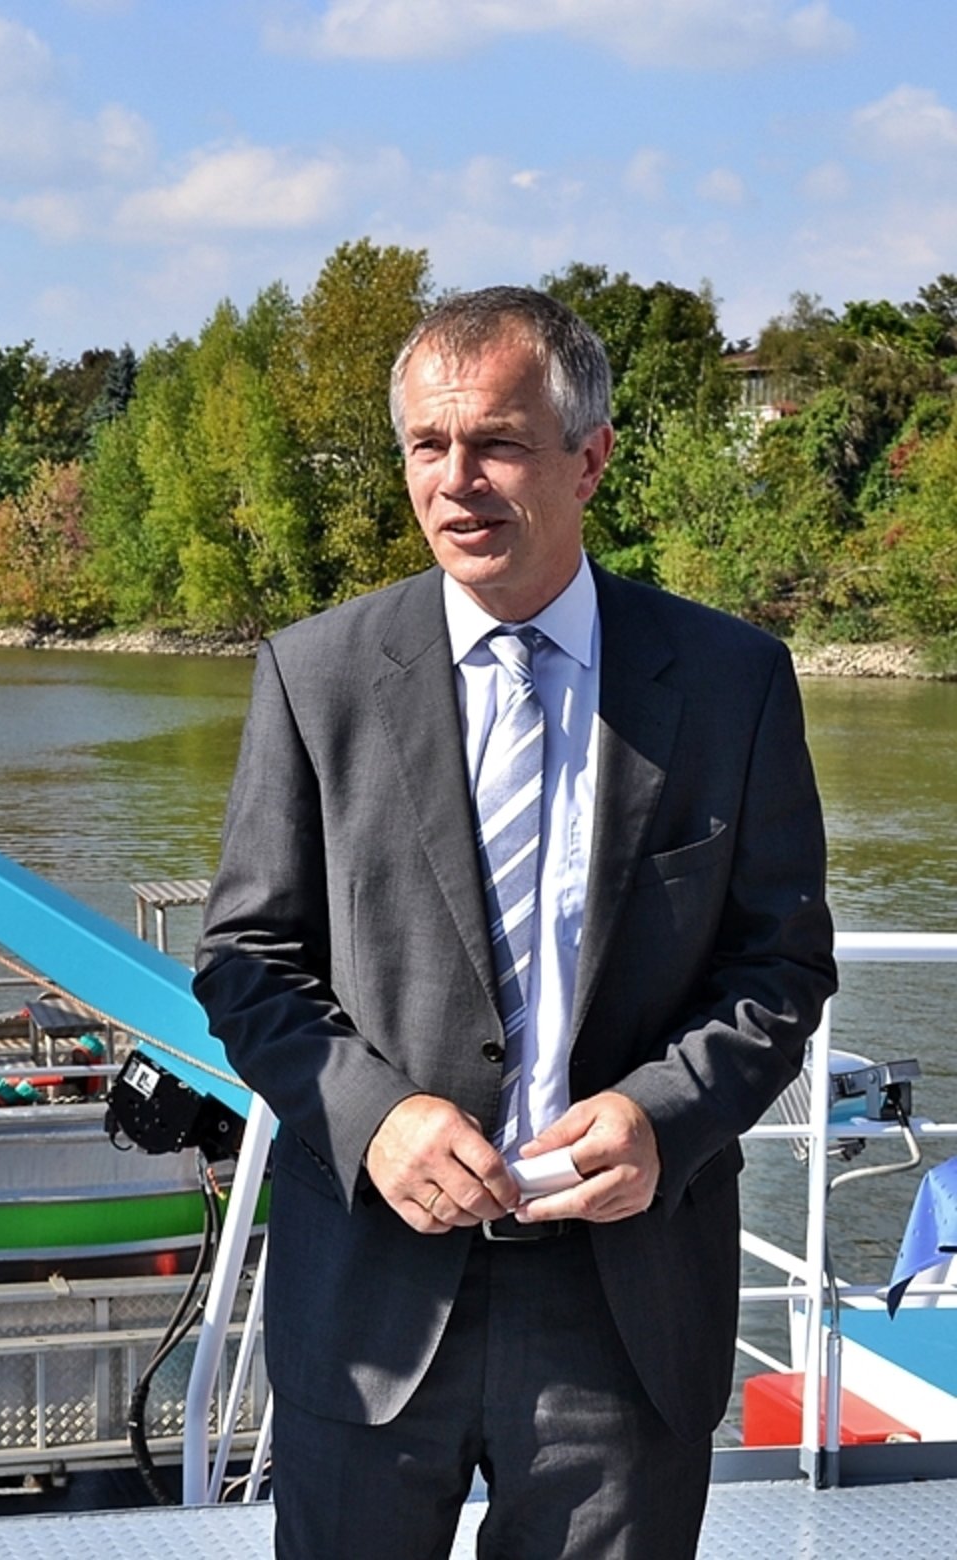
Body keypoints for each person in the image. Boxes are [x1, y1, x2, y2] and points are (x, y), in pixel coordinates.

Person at [194, 286, 836, 1558]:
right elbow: (245, 960)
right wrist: (374, 1119)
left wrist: (663, 1117)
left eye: (495, 443)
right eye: (426, 448)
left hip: (622, 1299)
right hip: (373, 1293)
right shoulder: (313, 675)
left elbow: (777, 963)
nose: (456, 482)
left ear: (588, 457)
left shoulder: (728, 683)